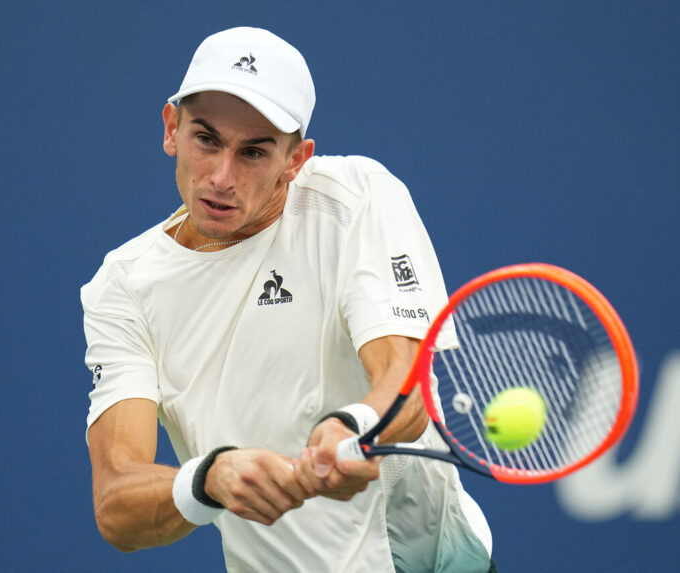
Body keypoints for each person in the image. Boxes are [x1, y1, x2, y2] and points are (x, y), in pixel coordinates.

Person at [82, 26, 495, 572]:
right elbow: (117, 504)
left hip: (436, 562)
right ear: (171, 128)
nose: (222, 177)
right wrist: (210, 479)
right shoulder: (123, 285)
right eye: (206, 139)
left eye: (253, 152)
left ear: (295, 160)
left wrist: (350, 427)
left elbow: (407, 382)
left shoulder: (355, 197)